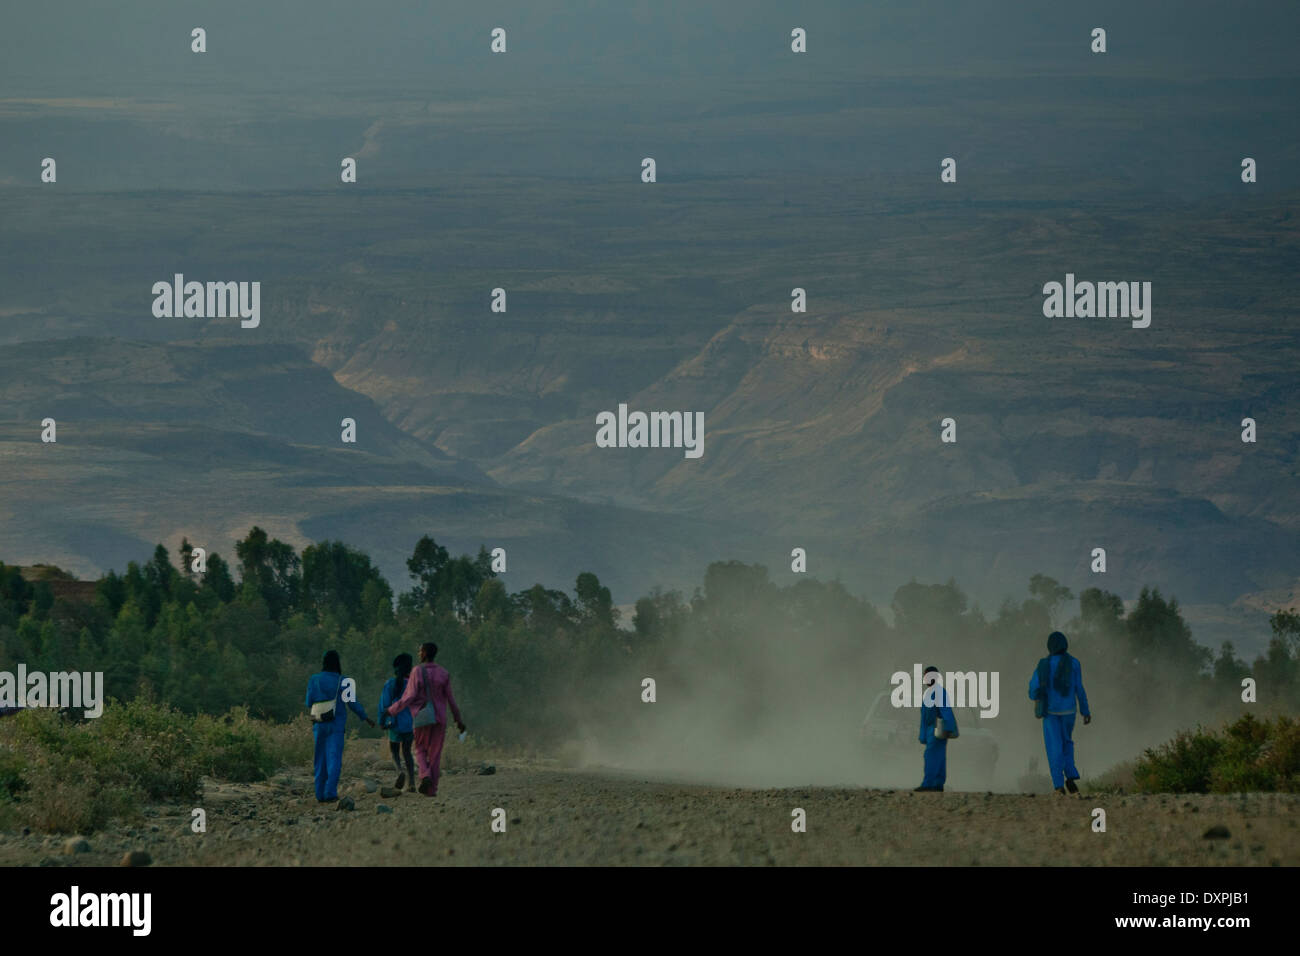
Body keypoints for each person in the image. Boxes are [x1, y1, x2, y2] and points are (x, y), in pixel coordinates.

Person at [386, 641, 466, 797]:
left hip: (422, 717)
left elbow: (408, 697)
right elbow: (451, 699)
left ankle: (425, 775)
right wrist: (458, 719)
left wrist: (391, 710)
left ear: (424, 653)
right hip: (440, 719)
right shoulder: (444, 673)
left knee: (420, 749)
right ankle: (432, 790)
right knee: (435, 754)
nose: (418, 653)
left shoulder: (417, 671)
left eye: (420, 651)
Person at [305, 650, 375, 803]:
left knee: (319, 759)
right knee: (334, 758)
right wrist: (365, 717)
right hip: (336, 725)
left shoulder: (314, 679)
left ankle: (319, 794)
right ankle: (330, 792)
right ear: (338, 663)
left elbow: (309, 702)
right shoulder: (345, 681)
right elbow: (353, 704)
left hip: (318, 723)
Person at [1028, 630, 1091, 797]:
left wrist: (1037, 697)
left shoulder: (1043, 664)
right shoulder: (1074, 663)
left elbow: (1033, 690)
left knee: (1054, 746)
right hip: (1069, 712)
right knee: (1067, 743)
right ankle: (1071, 777)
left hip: (1050, 712)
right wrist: (1085, 710)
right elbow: (1079, 689)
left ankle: (1058, 785)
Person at [378, 653, 417, 792]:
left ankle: (399, 771)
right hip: (409, 724)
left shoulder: (390, 684)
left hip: (394, 724)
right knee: (407, 752)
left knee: (394, 751)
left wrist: (382, 721)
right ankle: (412, 783)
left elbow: (384, 706)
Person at [915, 665, 957, 792]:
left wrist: (949, 728)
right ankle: (938, 784)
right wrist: (922, 736)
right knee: (939, 756)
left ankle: (928, 784)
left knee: (931, 756)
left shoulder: (939, 692)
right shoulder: (928, 693)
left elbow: (946, 711)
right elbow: (924, 717)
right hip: (931, 731)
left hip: (938, 730)